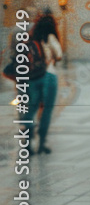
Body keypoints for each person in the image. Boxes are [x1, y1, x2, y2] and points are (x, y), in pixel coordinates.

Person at [17, 12, 60, 154]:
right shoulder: (51, 37)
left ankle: (27, 144)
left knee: (31, 109)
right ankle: (42, 143)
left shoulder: (32, 39)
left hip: (33, 77)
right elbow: (59, 55)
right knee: (46, 111)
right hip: (49, 75)